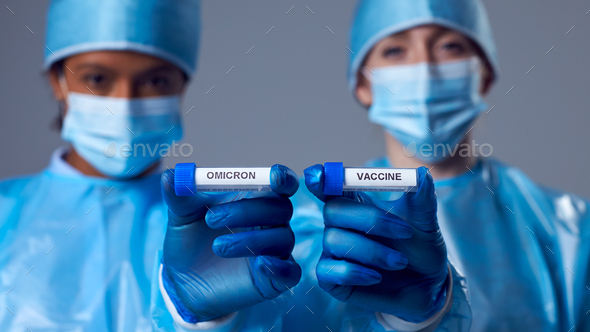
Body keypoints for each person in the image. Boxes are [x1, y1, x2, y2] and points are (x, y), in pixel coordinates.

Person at [0, 0, 301, 331]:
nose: (124, 104)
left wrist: (210, 319)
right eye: (97, 78)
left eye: (155, 81)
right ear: (57, 80)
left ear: (182, 85)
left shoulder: (230, 229)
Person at [297, 0, 590, 331]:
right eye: (395, 51)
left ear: (484, 73)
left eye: (449, 46)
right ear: (364, 85)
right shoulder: (309, 227)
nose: (425, 69)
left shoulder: (573, 232)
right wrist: (228, 317)